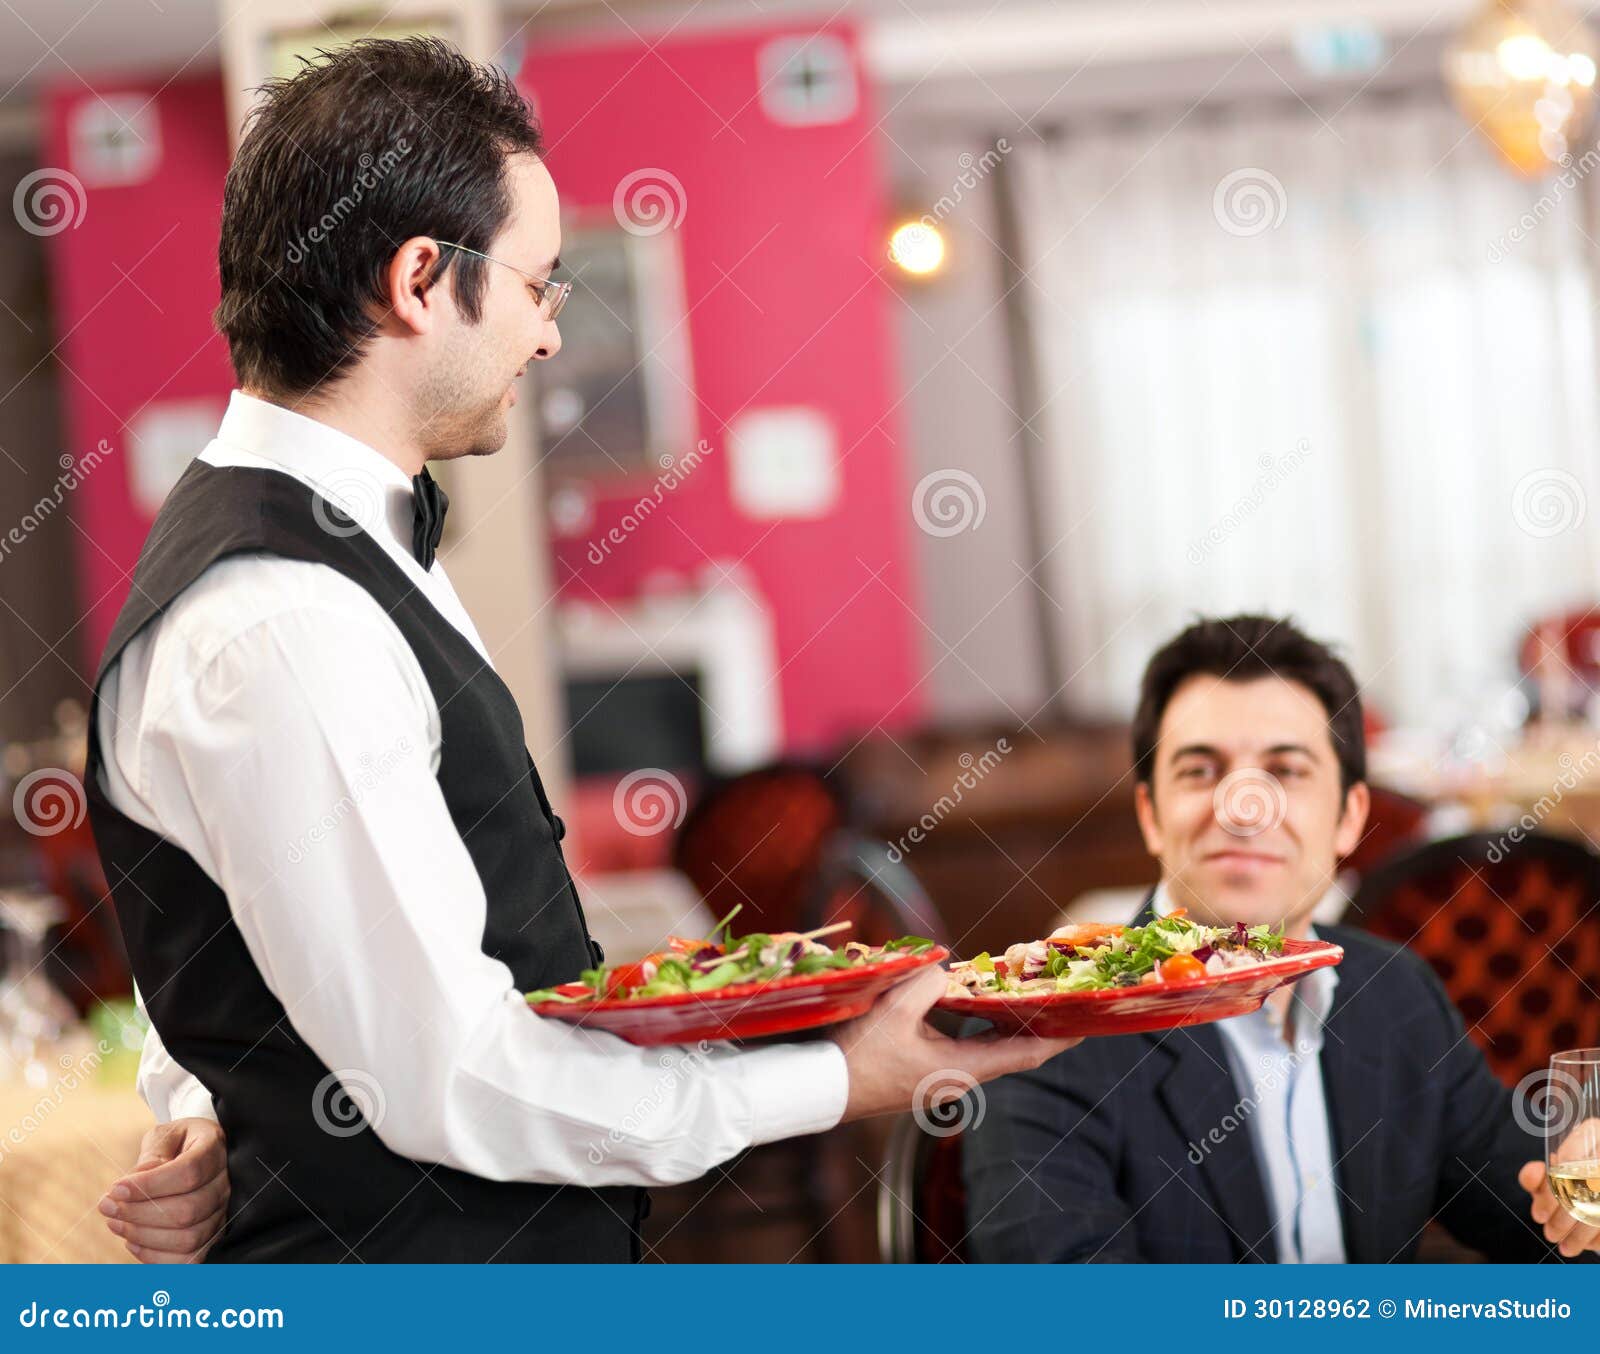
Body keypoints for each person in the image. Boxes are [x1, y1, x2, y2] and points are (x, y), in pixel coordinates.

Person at [89, 36, 1072, 1264]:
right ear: (418, 282)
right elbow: (453, 1072)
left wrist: (197, 1107)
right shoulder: (287, 616)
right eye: (537, 283)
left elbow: (252, 946)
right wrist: (836, 1078)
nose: (550, 336)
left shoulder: (336, 547)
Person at [963, 614, 1600, 1263]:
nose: (1244, 807)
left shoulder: (1395, 993)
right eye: (1201, 771)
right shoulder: (1040, 1034)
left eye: (1287, 771)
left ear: (1349, 817)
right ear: (1152, 816)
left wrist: (1579, 1193)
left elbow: (1536, 1222)